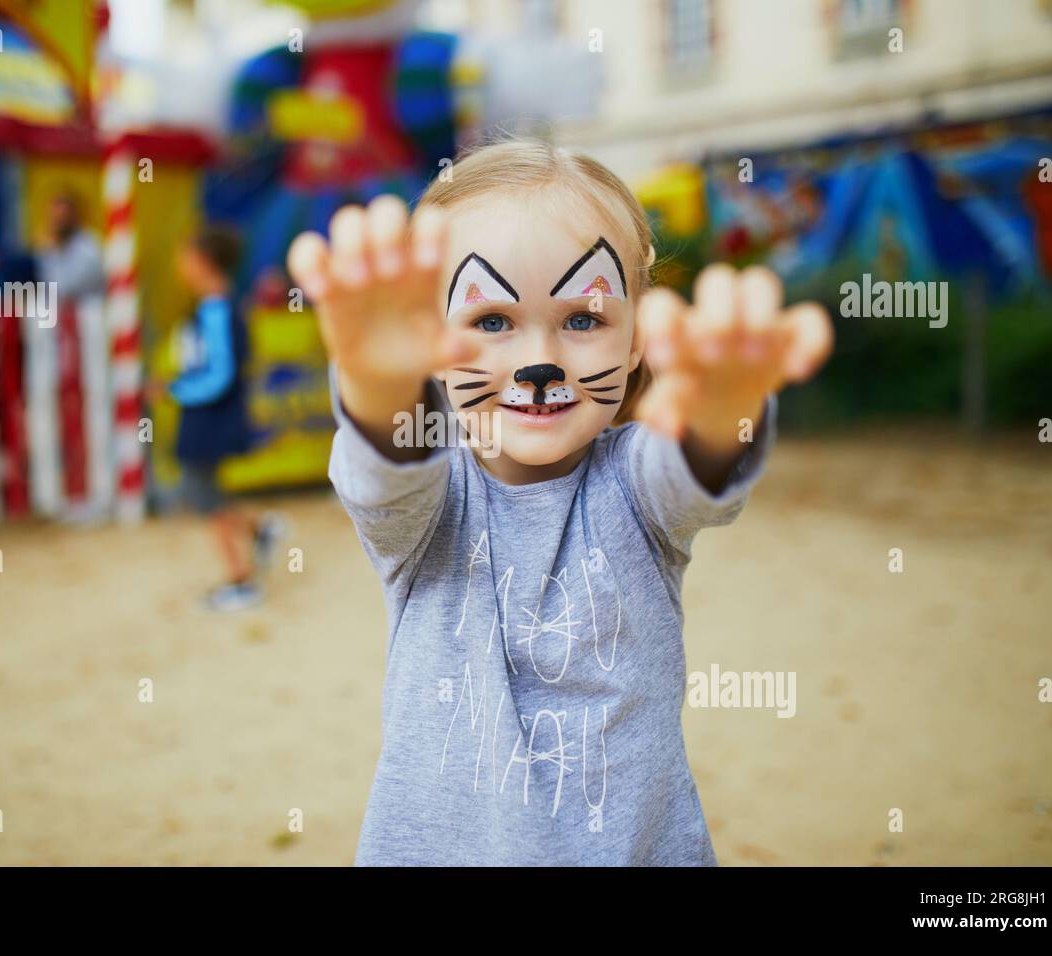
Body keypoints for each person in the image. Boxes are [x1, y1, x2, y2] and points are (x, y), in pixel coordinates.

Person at [285, 140, 833, 865]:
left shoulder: (636, 488)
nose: (537, 362)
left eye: (583, 318)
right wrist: (379, 380)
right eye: (489, 321)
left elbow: (694, 467)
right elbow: (387, 468)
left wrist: (725, 402)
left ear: (635, 335)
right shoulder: (431, 502)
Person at [160, 226, 280, 611]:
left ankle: (240, 580)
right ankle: (260, 531)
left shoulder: (218, 310)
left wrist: (175, 389)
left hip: (209, 417)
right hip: (204, 415)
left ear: (202, 262)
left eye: (185, 258)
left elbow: (220, 373)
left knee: (202, 494)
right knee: (204, 490)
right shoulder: (212, 308)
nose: (180, 267)